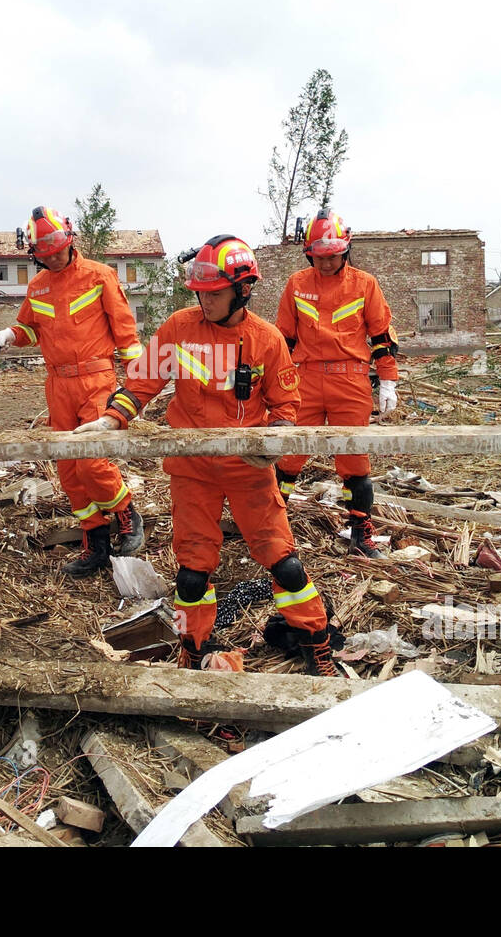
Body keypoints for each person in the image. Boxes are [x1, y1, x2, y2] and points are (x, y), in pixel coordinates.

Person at [73, 236, 341, 675]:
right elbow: (141, 382)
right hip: (192, 471)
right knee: (192, 575)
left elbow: (286, 408)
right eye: (200, 292)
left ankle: (319, 648)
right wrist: (111, 420)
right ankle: (192, 649)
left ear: (242, 290)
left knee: (285, 565)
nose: (205, 300)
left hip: (247, 471)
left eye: (214, 293)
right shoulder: (179, 328)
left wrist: (273, 443)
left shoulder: (266, 340)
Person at [0, 206, 144, 576]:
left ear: (70, 241)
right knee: (69, 468)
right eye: (45, 254)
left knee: (91, 461)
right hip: (58, 384)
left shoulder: (99, 276)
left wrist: (138, 388)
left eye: (58, 249)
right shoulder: (37, 286)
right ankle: (95, 541)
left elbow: (126, 334)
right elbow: (30, 328)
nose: (54, 257)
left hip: (97, 378)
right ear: (35, 255)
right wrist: (10, 334)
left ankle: (125, 513)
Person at [272, 209, 399, 558]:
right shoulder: (297, 284)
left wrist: (387, 380)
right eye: (318, 257)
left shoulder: (364, 284)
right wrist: (274, 386)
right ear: (308, 253)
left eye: (332, 257)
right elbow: (283, 340)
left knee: (354, 461)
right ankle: (269, 526)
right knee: (289, 455)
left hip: (351, 379)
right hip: (305, 378)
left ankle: (361, 532)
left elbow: (381, 336)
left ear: (345, 250)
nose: (326, 264)